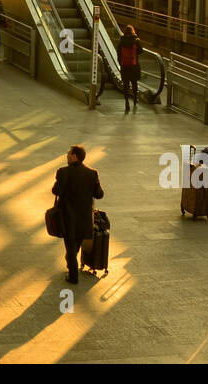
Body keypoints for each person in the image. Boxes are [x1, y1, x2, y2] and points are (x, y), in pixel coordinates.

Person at [51, 145, 104, 285]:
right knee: (74, 246)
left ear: (74, 156)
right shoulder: (92, 173)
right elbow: (99, 194)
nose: (67, 156)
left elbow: (56, 191)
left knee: (70, 247)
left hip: (67, 218)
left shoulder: (63, 172)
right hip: (84, 219)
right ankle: (70, 263)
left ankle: (73, 276)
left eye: (68, 153)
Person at [116, 25, 143, 114]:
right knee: (134, 83)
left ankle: (127, 102)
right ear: (133, 31)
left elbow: (118, 54)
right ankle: (135, 99)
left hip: (124, 67)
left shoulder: (121, 41)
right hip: (134, 66)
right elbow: (140, 51)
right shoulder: (136, 41)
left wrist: (121, 64)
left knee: (126, 85)